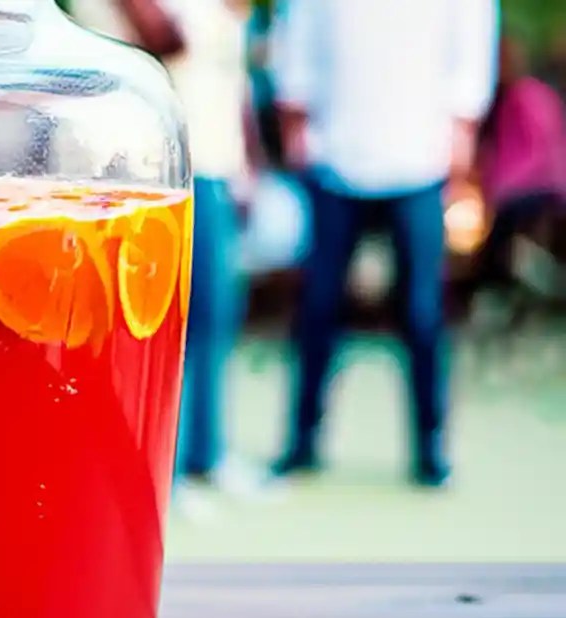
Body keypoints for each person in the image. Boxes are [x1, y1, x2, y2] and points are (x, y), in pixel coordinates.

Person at [270, 0, 498, 487]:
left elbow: (472, 47)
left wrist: (462, 130)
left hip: (419, 161)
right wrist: (296, 124)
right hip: (335, 158)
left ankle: (431, 449)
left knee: (422, 313)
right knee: (318, 307)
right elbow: (298, 43)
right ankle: (303, 442)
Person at [73, 0, 261, 507]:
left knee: (214, 317)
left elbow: (231, 75)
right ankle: (158, 471)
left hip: (215, 165)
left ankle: (206, 454)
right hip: (145, 167)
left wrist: (250, 164)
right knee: (156, 323)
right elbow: (166, 40)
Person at [466, 33, 566, 305]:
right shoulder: (511, 98)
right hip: (531, 187)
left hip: (540, 187)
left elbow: (539, 153)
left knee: (498, 232)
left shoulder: (527, 96)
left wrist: (499, 188)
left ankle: (494, 288)